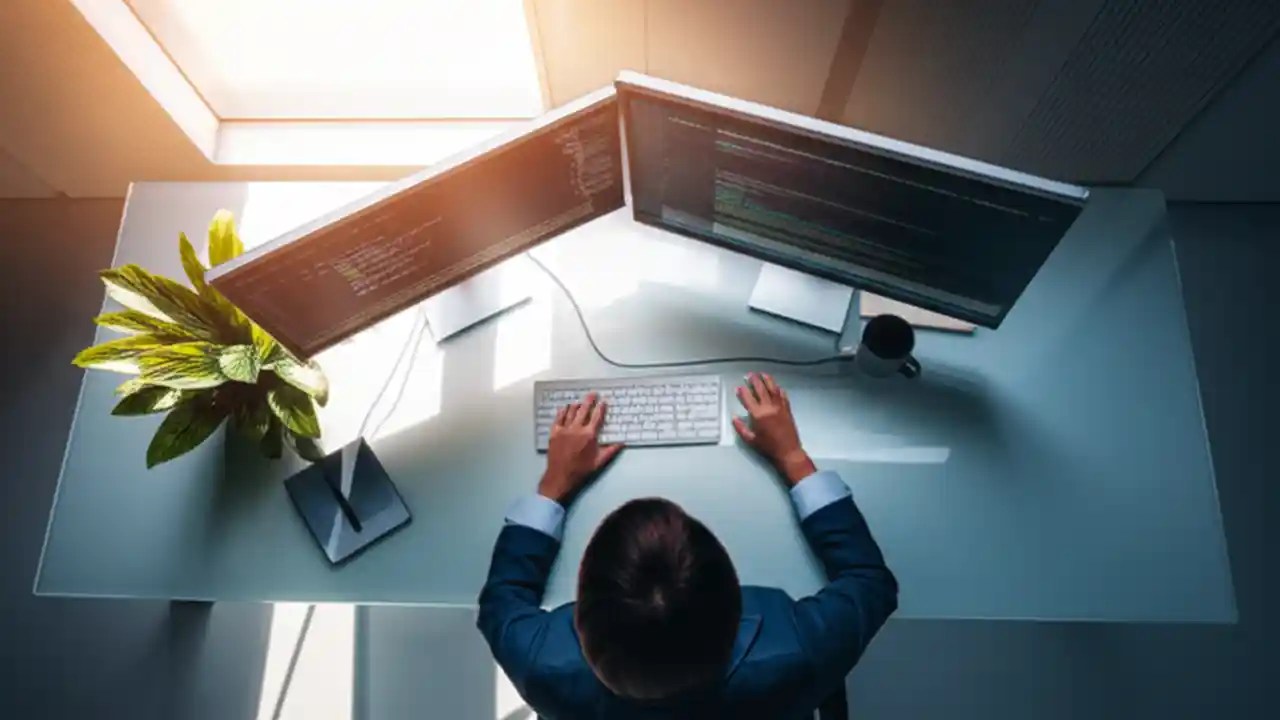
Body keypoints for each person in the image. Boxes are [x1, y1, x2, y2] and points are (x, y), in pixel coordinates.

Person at [478, 372, 898, 719]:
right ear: (736, 598)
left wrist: (553, 484)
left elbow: (502, 600)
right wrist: (793, 457)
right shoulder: (799, 650)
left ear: (580, 617)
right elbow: (869, 581)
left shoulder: (541, 666)